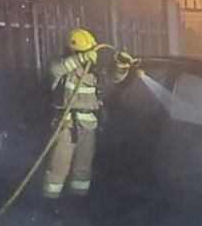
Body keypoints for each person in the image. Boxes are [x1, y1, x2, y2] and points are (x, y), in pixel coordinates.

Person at [42, 28, 137, 201]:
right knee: (59, 167)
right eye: (85, 52)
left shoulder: (94, 71)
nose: (90, 55)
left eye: (89, 52)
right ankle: (50, 204)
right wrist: (80, 59)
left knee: (83, 168)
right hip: (66, 127)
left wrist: (121, 67)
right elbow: (56, 70)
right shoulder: (60, 68)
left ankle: (78, 202)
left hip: (89, 126)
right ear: (73, 51)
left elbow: (113, 77)